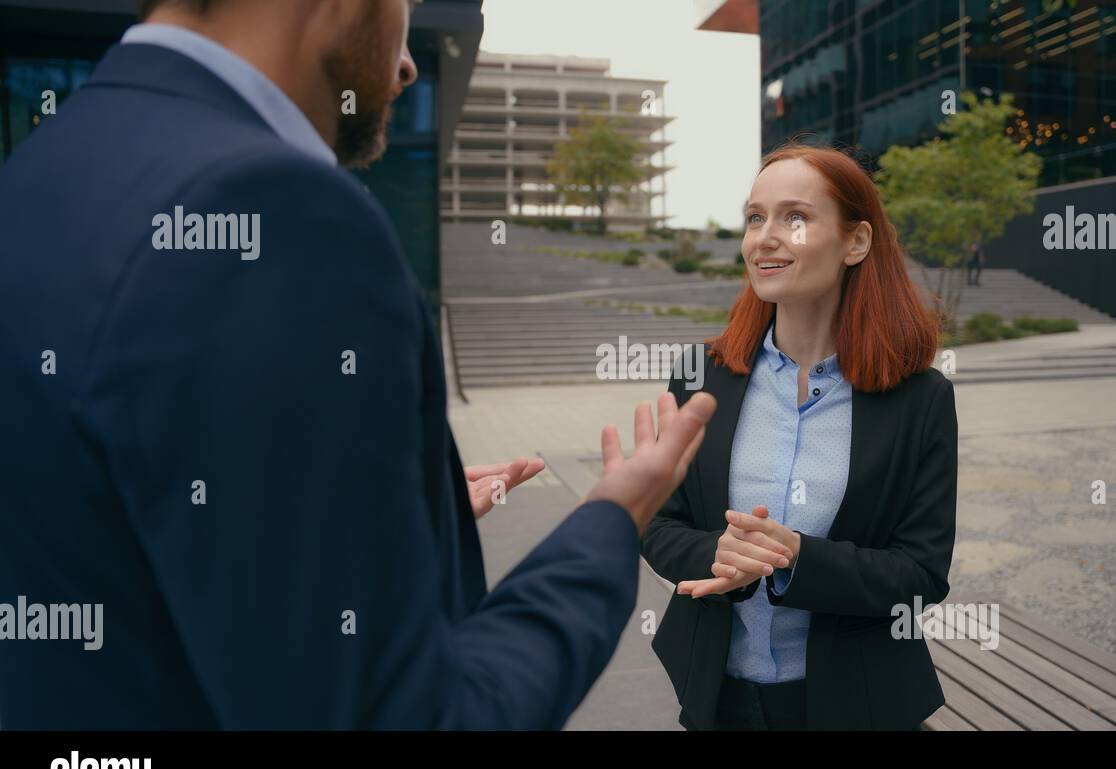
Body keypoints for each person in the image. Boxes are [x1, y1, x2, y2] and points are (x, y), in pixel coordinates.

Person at [0, 0, 717, 729]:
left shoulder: (40, 169)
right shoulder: (276, 211)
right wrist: (611, 518)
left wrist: (399, 514)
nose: (406, 64)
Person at [640, 143, 958, 731]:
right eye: (755, 217)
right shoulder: (699, 375)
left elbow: (921, 574)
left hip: (858, 703)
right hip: (718, 700)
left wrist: (796, 560)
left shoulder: (922, 398)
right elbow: (659, 525)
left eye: (795, 217)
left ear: (856, 243)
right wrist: (715, 551)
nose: (765, 237)